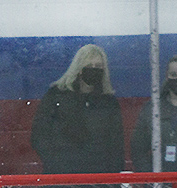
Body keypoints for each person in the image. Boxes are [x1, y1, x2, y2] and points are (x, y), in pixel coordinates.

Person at [31, 44, 125, 176]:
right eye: (88, 65)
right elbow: (39, 134)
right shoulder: (56, 96)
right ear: (78, 68)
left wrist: (113, 178)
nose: (93, 70)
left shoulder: (109, 102)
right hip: (61, 178)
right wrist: (55, 163)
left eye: (98, 66)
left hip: (98, 179)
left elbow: (116, 145)